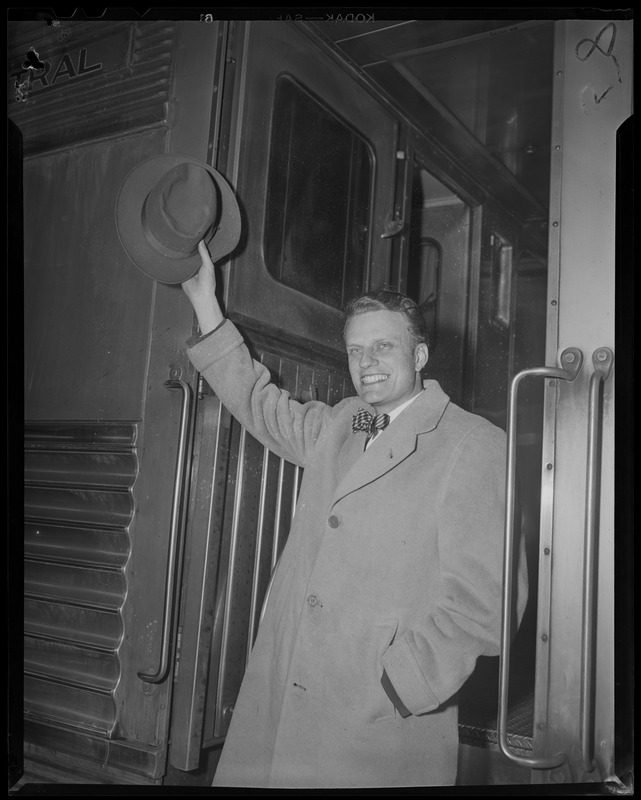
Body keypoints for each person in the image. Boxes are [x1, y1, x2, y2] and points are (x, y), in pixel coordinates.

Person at [182, 241, 528, 789]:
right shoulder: (345, 423)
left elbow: (487, 604)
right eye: (354, 350)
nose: (365, 365)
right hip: (290, 697)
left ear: (419, 356)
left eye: (383, 348)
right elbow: (258, 402)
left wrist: (398, 685)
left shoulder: (472, 443)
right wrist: (206, 302)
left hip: (375, 721)